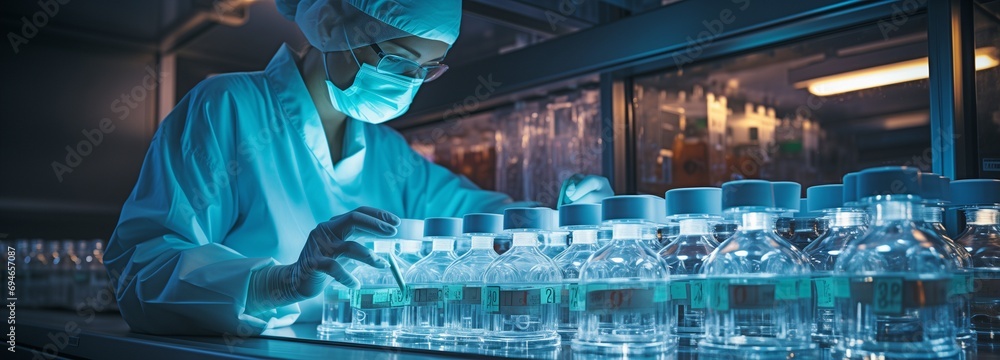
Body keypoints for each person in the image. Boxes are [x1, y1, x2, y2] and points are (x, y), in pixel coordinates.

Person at [105, 0, 612, 336]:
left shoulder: (388, 152)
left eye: (425, 70)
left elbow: (474, 217)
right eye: (399, 62)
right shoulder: (227, 109)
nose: (410, 84)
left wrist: (562, 217)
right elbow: (140, 271)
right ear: (331, 23)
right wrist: (274, 284)